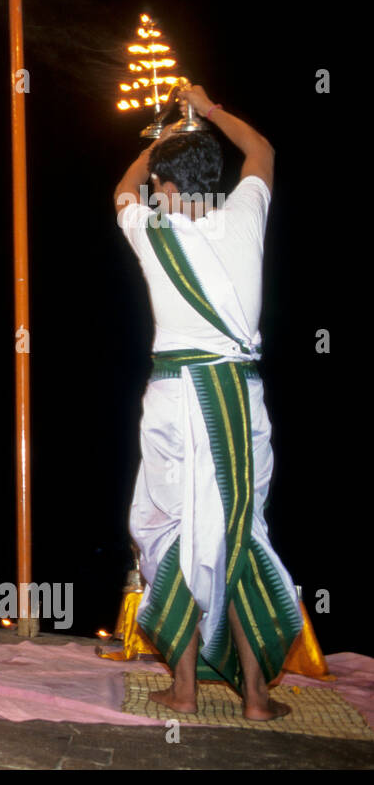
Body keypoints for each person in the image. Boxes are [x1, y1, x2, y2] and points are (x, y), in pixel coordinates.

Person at [114, 85, 299, 720]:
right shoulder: (245, 212)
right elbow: (263, 150)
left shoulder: (151, 228)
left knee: (170, 532)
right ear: (214, 179)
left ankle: (185, 688)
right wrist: (208, 107)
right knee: (240, 536)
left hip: (174, 398)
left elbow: (123, 187)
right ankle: (254, 697)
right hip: (237, 398)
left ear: (164, 183)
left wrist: (159, 135)